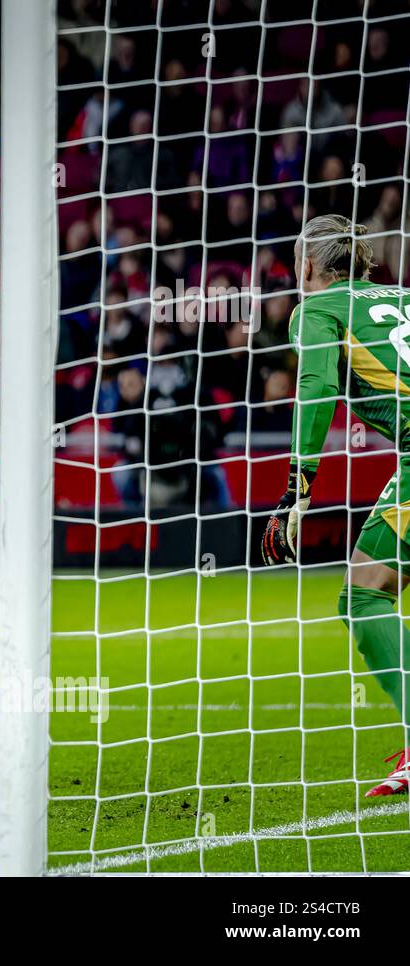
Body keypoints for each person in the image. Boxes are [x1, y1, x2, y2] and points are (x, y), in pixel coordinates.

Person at [258, 214, 409, 797]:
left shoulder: (317, 311)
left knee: (365, 595)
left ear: (307, 267)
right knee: (373, 585)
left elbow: (317, 386)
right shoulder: (401, 298)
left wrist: (298, 487)